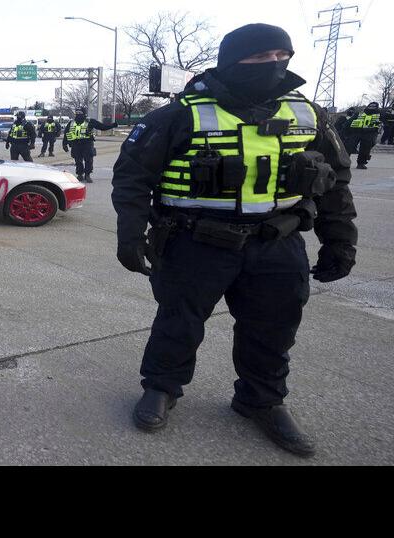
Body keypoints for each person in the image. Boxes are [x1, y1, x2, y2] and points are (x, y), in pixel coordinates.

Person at [111, 23, 358, 458]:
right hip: (195, 243)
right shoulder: (180, 113)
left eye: (282, 55)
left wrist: (339, 240)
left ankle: (262, 401)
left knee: (274, 328)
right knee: (178, 322)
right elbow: (133, 177)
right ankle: (162, 388)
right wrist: (131, 234)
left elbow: (335, 182)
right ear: (232, 61)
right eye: (260, 57)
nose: (274, 65)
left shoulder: (308, 113)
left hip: (277, 242)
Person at [63, 108, 117, 183]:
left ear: (84, 114)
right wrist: (64, 144)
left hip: (87, 144)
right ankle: (79, 175)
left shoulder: (90, 121)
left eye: (80, 112)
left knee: (88, 160)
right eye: (77, 113)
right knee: (78, 161)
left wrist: (112, 125)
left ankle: (87, 175)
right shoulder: (71, 122)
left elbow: (102, 127)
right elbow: (66, 133)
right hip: (75, 144)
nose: (78, 114)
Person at [345, 102, 382, 169]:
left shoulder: (380, 114)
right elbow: (349, 122)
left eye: (373, 106)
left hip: (370, 132)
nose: (371, 108)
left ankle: (361, 163)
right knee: (349, 147)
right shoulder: (360, 113)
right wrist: (345, 131)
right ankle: (344, 162)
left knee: (365, 149)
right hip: (357, 131)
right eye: (370, 106)